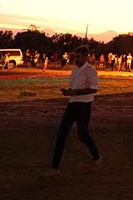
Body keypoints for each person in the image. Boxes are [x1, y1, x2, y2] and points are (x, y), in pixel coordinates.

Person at [44, 46, 101, 175]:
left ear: (85, 57)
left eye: (79, 57)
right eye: (75, 56)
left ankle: (97, 156)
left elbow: (94, 88)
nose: (76, 59)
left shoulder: (91, 71)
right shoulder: (75, 69)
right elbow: (74, 87)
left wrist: (77, 92)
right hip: (72, 104)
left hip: (84, 106)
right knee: (61, 134)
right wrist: (69, 92)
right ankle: (55, 168)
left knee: (83, 135)